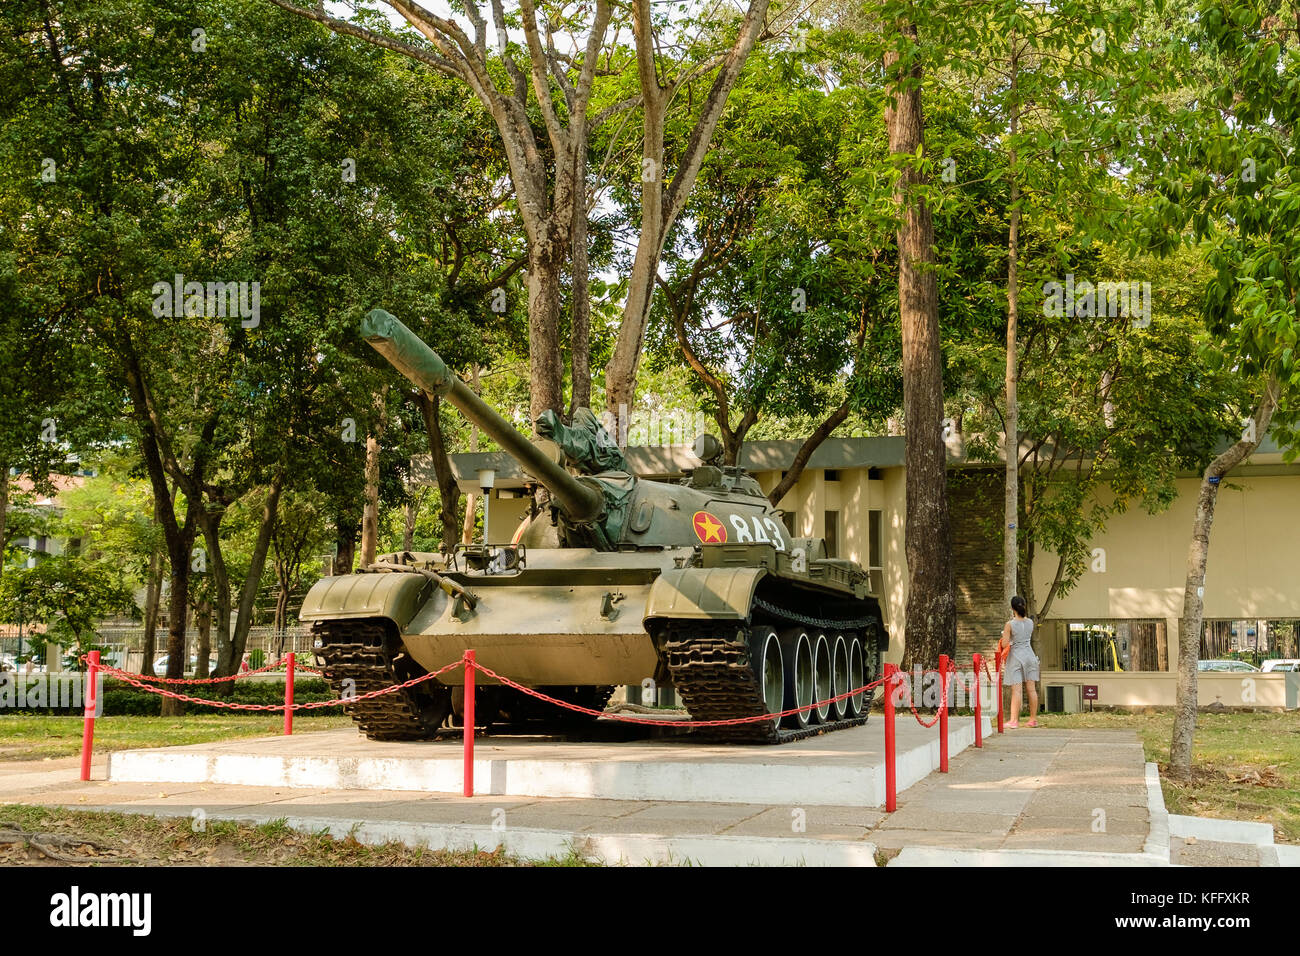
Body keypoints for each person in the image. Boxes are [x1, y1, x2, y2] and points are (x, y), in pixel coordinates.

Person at [997, 595, 1039, 728]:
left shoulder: (1010, 624)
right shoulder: (1030, 623)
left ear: (1012, 608)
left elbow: (1004, 644)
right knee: (1031, 690)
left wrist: (1004, 634)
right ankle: (1033, 720)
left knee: (1017, 691)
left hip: (1016, 657)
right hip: (1030, 656)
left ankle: (1014, 721)